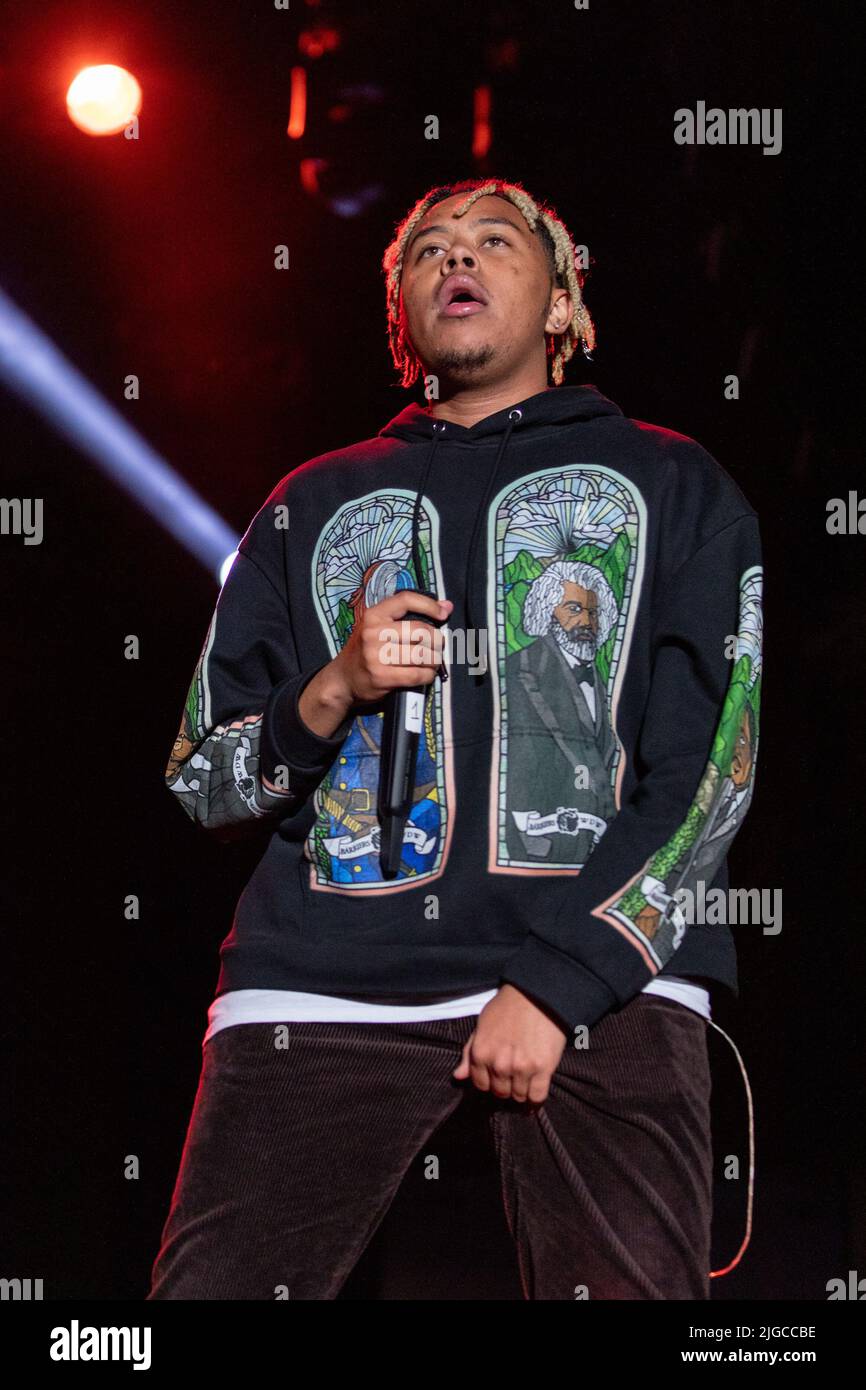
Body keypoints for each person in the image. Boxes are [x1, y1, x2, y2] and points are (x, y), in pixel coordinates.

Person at [147, 176, 763, 1301]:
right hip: (322, 985)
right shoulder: (305, 502)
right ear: (402, 318)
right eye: (426, 251)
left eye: (491, 241)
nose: (456, 259)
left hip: (607, 977)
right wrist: (331, 688)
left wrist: (561, 983)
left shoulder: (677, 481)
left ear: (562, 304)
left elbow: (710, 775)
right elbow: (203, 783)